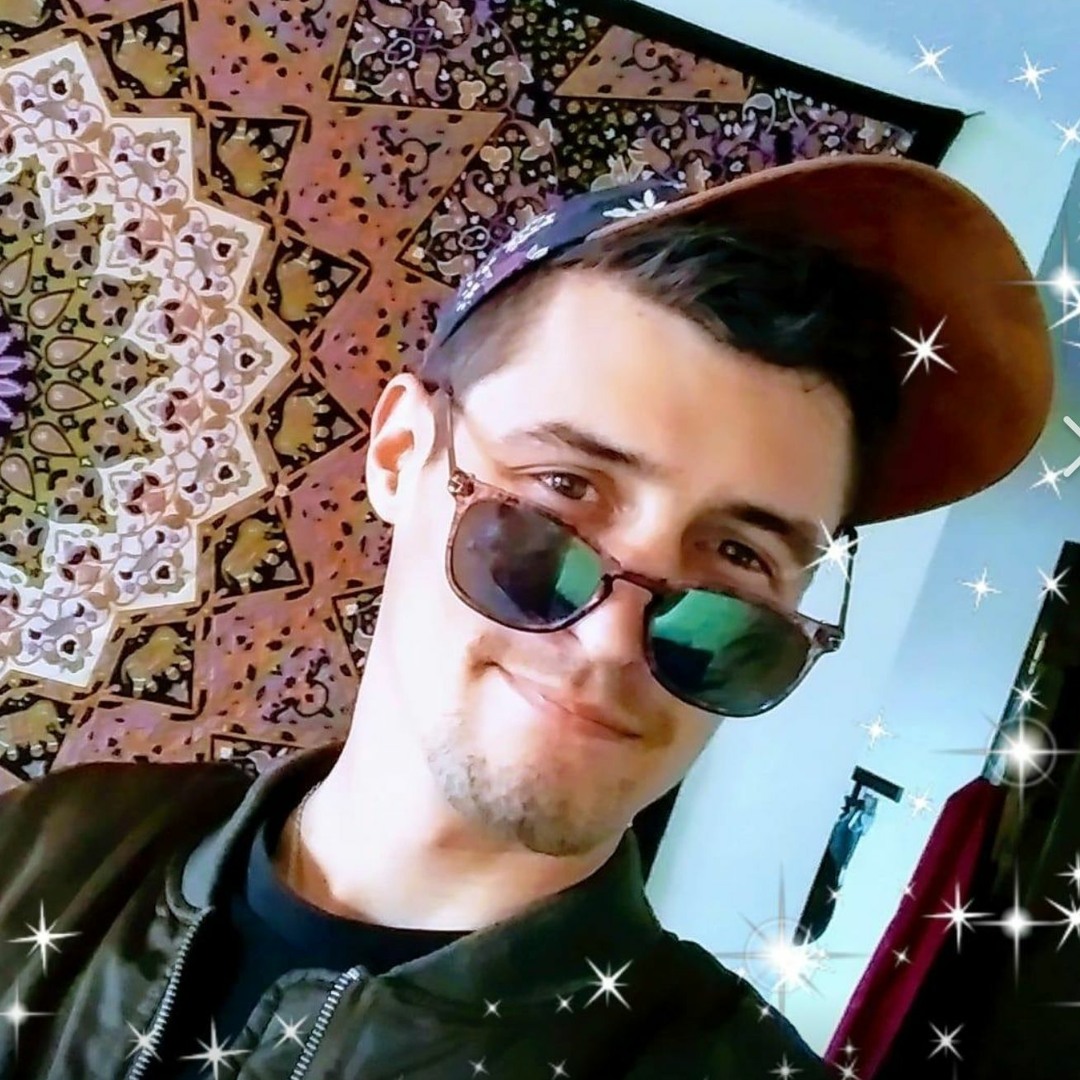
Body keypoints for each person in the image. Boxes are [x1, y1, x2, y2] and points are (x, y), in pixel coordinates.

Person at [0, 155, 1053, 1080]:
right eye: (559, 497)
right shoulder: (49, 849)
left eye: (737, 564)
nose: (611, 641)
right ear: (401, 456)